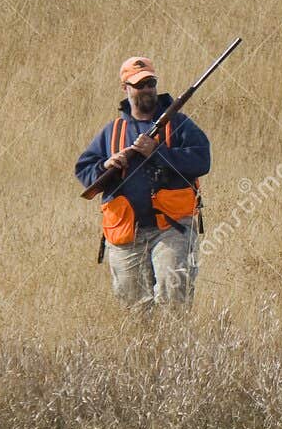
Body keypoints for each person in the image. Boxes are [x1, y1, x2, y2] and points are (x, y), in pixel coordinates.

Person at [75, 55, 211, 307]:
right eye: (139, 84)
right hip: (126, 233)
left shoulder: (179, 125)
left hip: (173, 228)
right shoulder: (112, 131)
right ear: (125, 88)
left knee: (174, 299)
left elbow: (202, 160)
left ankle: (176, 346)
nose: (146, 89)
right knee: (135, 308)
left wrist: (157, 153)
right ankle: (146, 348)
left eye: (150, 82)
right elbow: (84, 169)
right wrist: (107, 164)